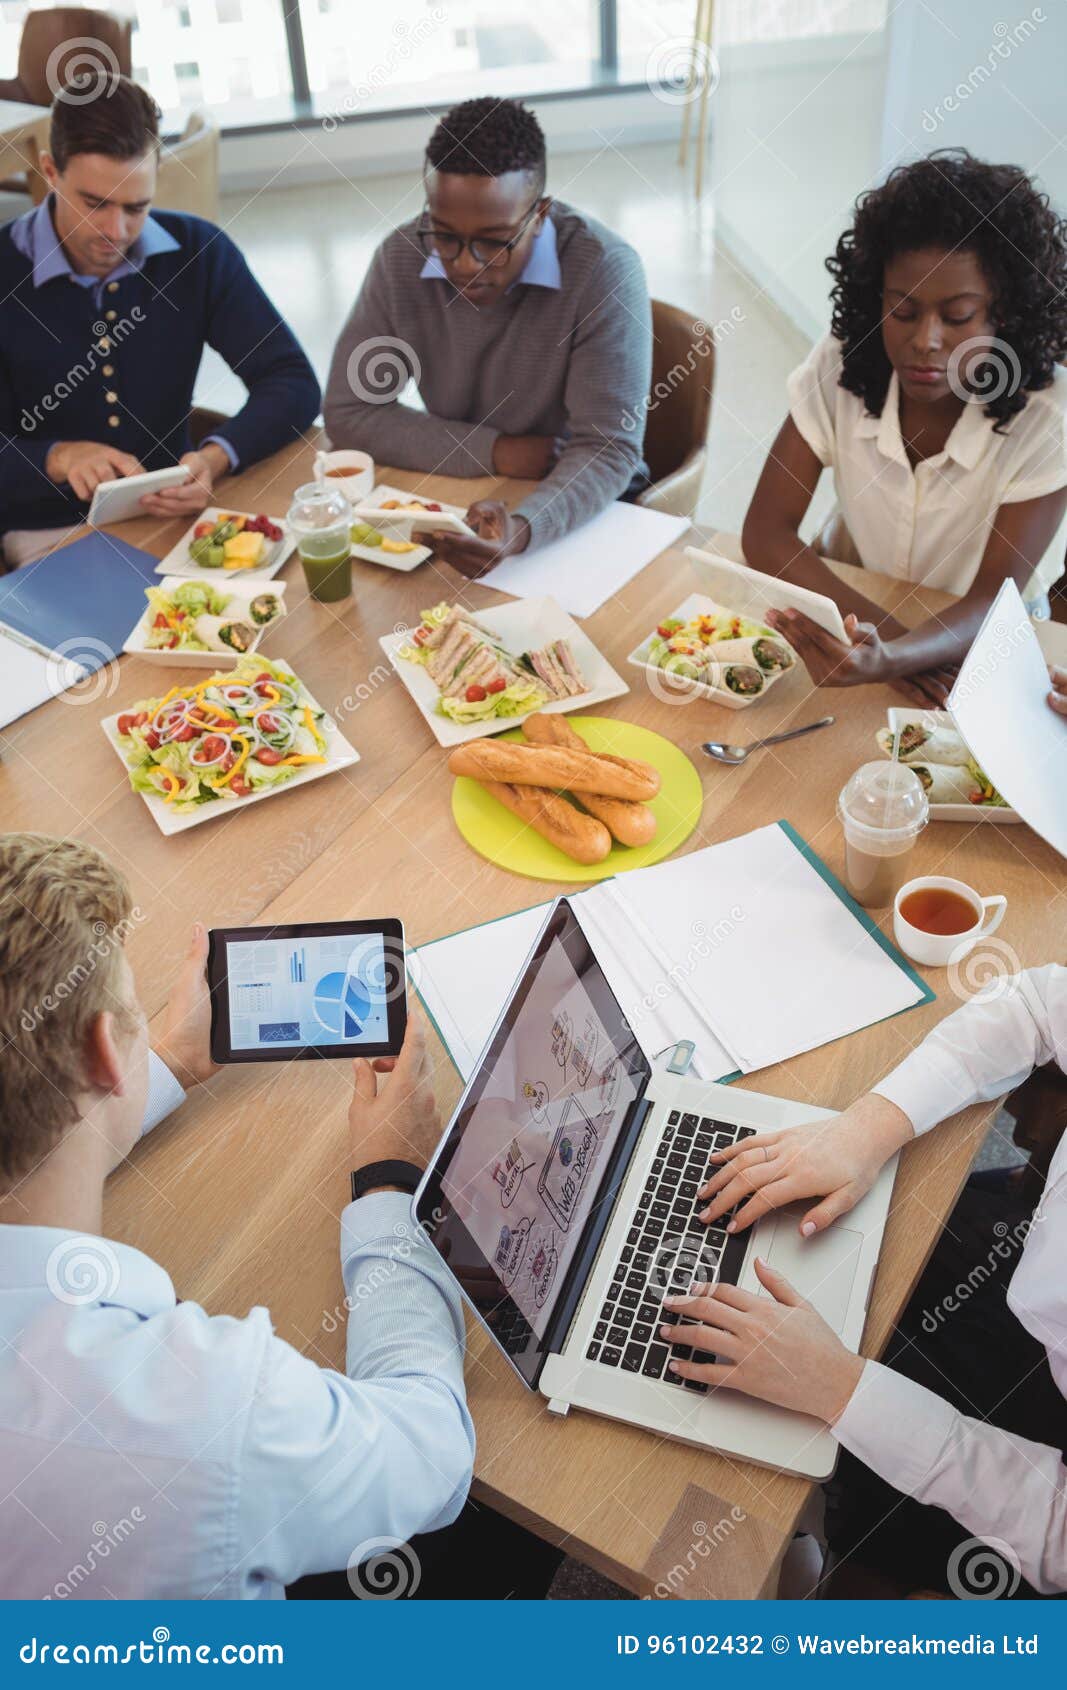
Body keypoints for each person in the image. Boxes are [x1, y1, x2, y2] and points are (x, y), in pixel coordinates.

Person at [0, 833, 473, 1599]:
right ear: (102, 1053)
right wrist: (390, 1180)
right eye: (129, 1012)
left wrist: (165, 1064)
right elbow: (433, 1451)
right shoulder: (208, 1415)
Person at [657, 965, 1067, 1598]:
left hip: (1033, 1462)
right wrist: (865, 1129)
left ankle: (821, 1553)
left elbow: (1056, 1532)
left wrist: (842, 1388)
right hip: (1030, 1271)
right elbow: (1039, 1006)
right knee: (864, 1238)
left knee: (790, 1461)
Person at [740, 152, 1067, 706]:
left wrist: (894, 656)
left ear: (1006, 313)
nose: (926, 341)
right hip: (858, 612)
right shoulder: (843, 363)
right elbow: (765, 531)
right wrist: (892, 649)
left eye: (958, 316)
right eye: (904, 310)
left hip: (975, 650)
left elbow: (996, 596)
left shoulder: (1050, 415)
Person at [324, 97, 652, 579]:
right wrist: (497, 450)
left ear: (539, 216)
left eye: (494, 242)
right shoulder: (400, 257)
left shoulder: (604, 270)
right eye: (444, 234)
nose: (464, 263)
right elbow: (349, 411)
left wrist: (521, 529)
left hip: (571, 512)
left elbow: (607, 448)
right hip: (464, 492)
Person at [0, 75, 320, 567]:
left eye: (137, 207)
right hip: (48, 533)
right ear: (49, 171)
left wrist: (216, 457)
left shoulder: (199, 252)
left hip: (175, 519)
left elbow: (292, 381)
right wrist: (56, 457)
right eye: (95, 204)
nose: (116, 231)